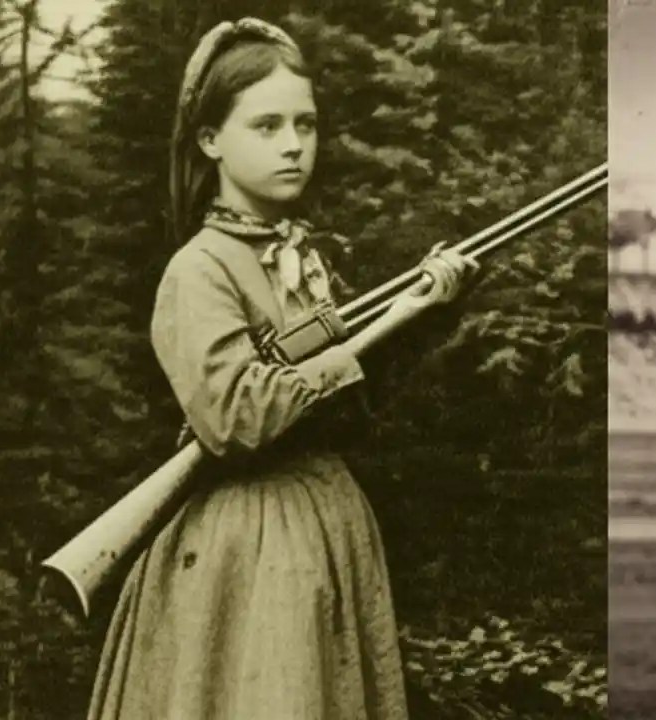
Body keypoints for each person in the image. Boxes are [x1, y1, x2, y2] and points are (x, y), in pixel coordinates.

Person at [87, 18, 474, 719]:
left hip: (326, 521)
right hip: (242, 543)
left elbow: (347, 406)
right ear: (211, 140)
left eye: (306, 124)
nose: (295, 145)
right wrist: (375, 331)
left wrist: (423, 315)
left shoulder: (304, 256)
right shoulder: (199, 268)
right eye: (266, 126)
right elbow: (235, 417)